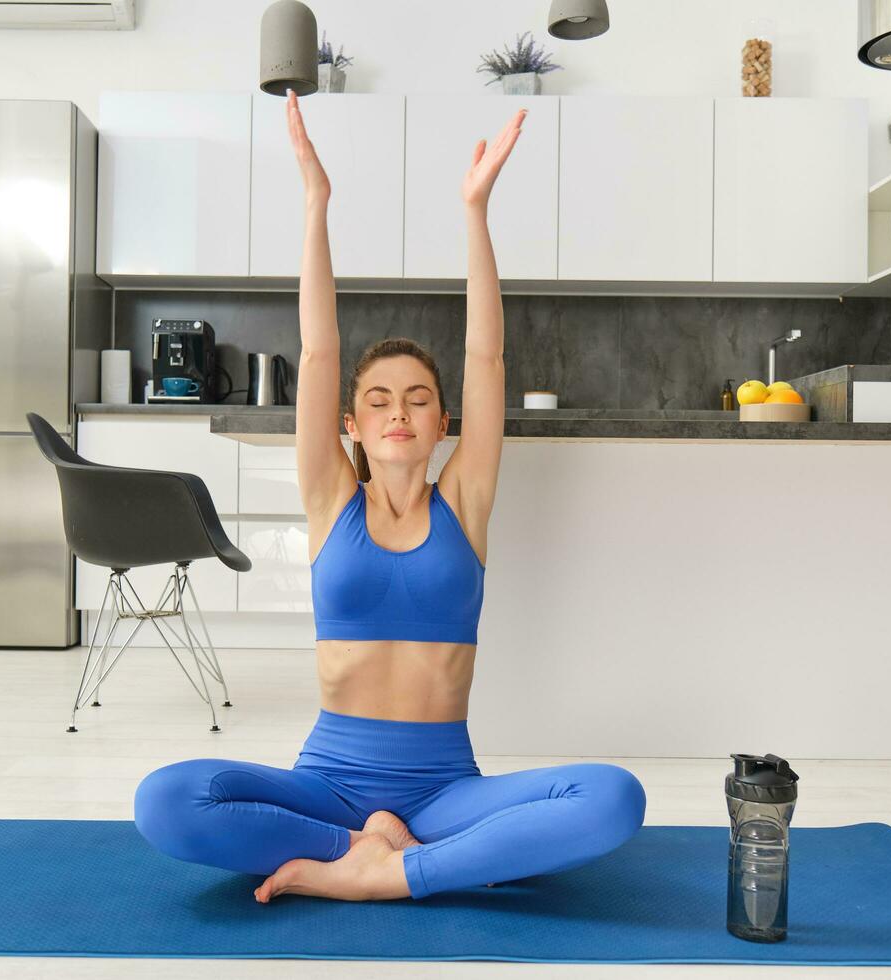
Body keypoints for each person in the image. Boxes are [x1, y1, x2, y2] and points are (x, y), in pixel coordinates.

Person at [134, 90, 645, 903]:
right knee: (166, 799)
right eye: (378, 400)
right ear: (352, 424)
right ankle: (367, 850)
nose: (398, 411)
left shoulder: (465, 499)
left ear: (444, 420)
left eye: (417, 398)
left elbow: (486, 355)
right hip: (328, 785)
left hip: (445, 791)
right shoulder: (331, 496)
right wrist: (314, 202)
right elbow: (319, 343)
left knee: (615, 798)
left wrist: (474, 210)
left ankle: (388, 874)